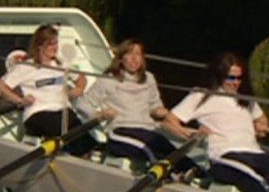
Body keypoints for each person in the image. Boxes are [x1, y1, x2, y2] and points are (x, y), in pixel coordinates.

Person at [164, 51, 269, 192]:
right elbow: (168, 121)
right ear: (220, 75)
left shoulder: (245, 98)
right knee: (260, 184)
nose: (236, 82)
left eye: (239, 77)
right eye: (231, 77)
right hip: (224, 155)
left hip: (255, 152)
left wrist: (260, 127)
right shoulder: (201, 95)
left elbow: (262, 120)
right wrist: (192, 133)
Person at [74, 38, 199, 175]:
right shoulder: (109, 79)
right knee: (148, 150)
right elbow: (82, 104)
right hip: (120, 131)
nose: (134, 59)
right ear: (121, 58)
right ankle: (169, 176)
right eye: (129, 54)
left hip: (147, 129)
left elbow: (155, 106)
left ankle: (195, 175)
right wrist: (100, 114)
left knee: (172, 151)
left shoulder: (148, 78)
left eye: (138, 54)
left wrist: (161, 112)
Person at [0, 24, 95, 155]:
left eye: (56, 43)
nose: (55, 48)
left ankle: (88, 154)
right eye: (51, 44)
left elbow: (81, 77)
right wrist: (20, 100)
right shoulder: (27, 66)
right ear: (40, 46)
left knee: (81, 131)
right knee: (64, 130)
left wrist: (79, 88)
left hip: (63, 112)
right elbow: (0, 86)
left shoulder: (61, 63)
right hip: (38, 112)